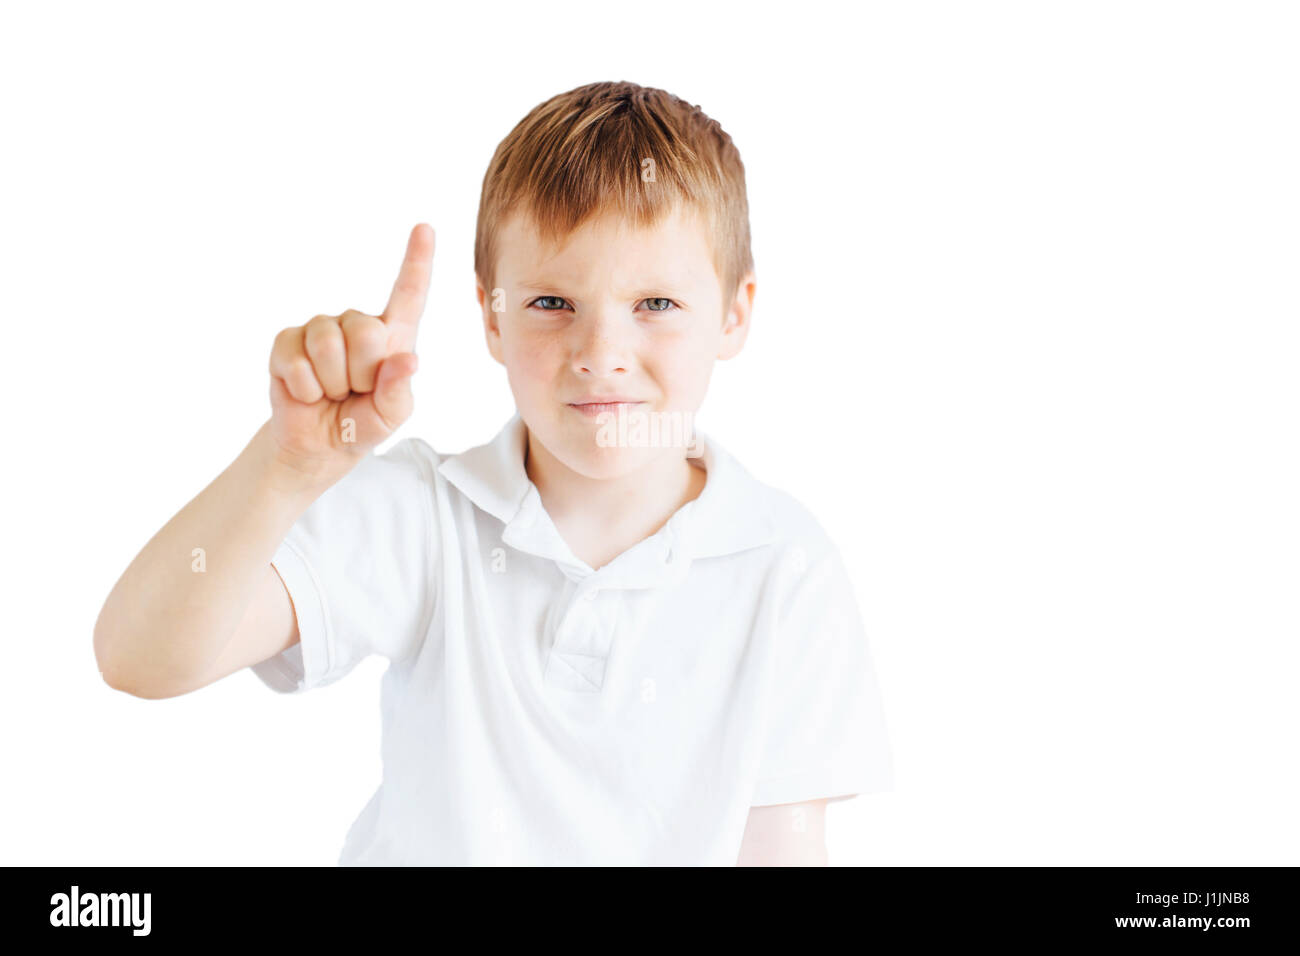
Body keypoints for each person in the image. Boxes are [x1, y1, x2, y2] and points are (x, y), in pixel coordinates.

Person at [93, 80, 894, 866]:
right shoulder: (426, 517)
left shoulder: (786, 570)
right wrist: (286, 467)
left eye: (655, 304)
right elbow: (139, 658)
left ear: (734, 314)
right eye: (551, 302)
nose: (601, 354)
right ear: (491, 317)